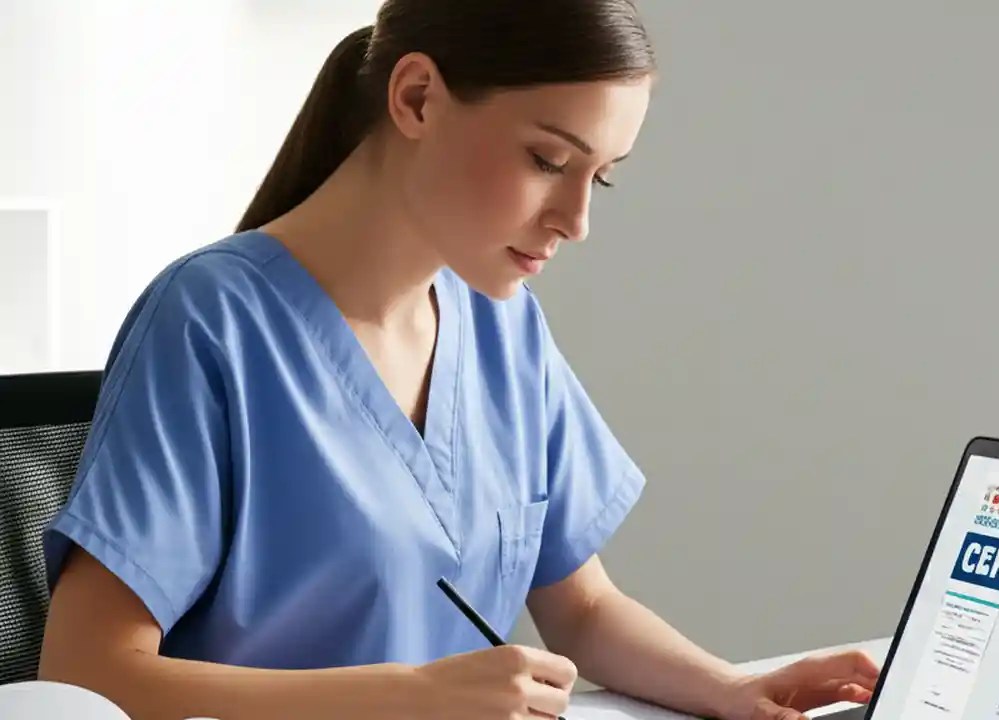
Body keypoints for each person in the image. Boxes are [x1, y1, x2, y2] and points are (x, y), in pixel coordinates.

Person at [37, 2, 881, 719]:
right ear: (416, 97)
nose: (576, 220)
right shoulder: (212, 321)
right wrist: (407, 695)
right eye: (548, 160)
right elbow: (84, 673)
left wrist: (734, 687)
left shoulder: (501, 327)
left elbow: (581, 609)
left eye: (603, 178)